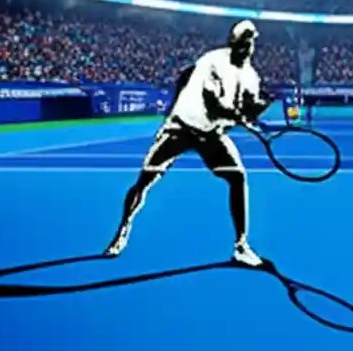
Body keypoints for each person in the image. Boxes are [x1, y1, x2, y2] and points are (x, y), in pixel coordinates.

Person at [104, 20, 271, 266]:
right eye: (241, 44)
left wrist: (257, 108)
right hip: (180, 128)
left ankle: (241, 246)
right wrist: (238, 116)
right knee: (145, 180)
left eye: (250, 44)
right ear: (232, 42)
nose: (245, 49)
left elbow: (247, 108)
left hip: (211, 135)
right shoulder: (212, 61)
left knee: (237, 178)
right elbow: (212, 104)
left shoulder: (251, 77)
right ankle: (123, 228)